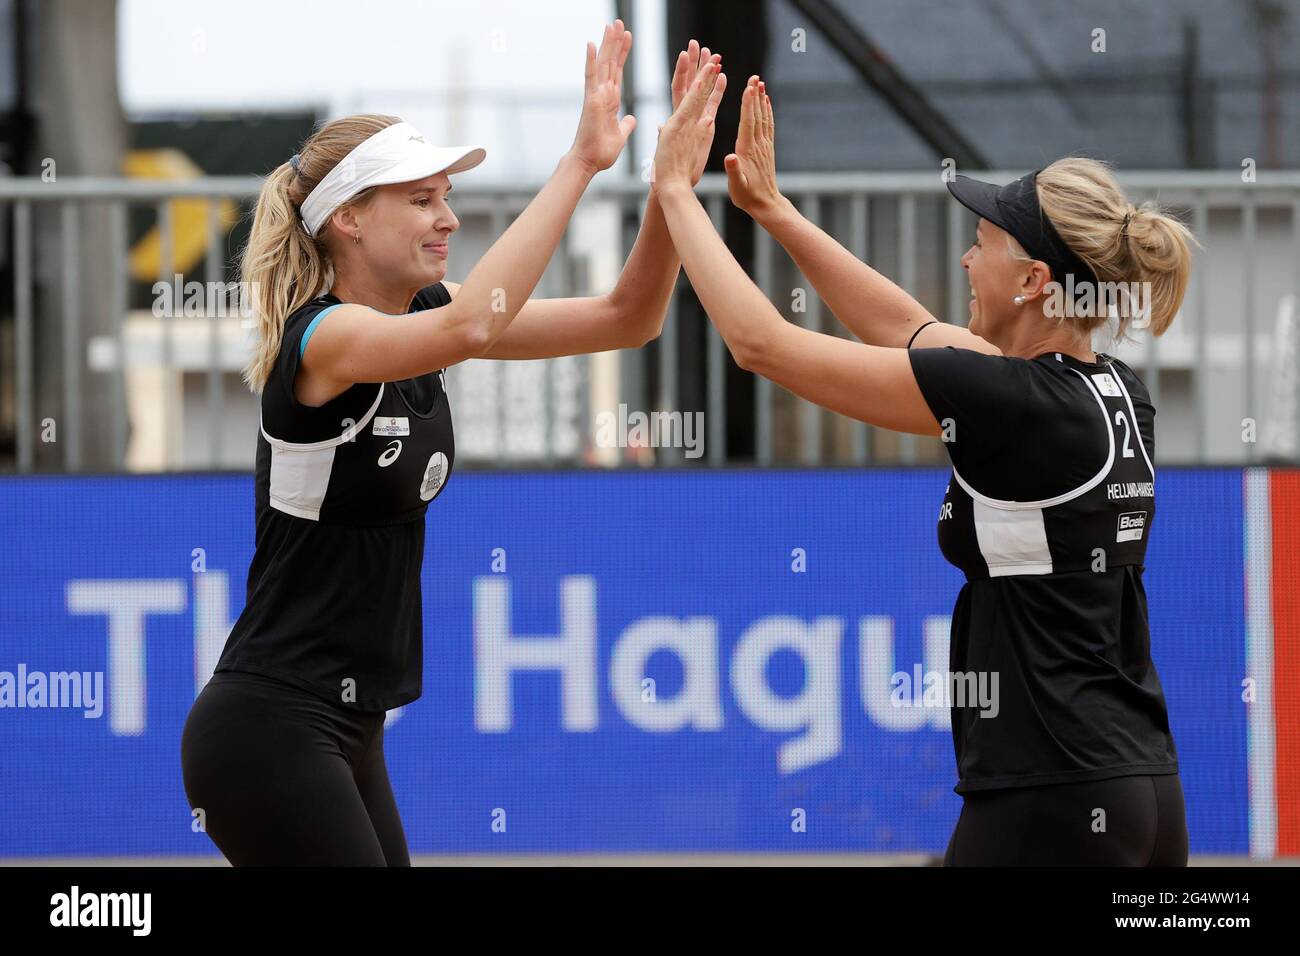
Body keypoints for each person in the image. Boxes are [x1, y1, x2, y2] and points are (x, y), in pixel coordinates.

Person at [181, 24, 726, 866]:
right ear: (350, 218)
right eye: (423, 199)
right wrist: (580, 161)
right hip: (269, 725)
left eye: (446, 196)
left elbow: (630, 318)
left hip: (345, 728)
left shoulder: (423, 311)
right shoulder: (326, 340)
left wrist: (668, 189)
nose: (448, 217)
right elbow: (477, 323)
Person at [652, 64, 1195, 865]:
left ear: (1035, 281)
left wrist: (672, 192)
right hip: (1142, 790)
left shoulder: (1012, 401)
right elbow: (906, 327)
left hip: (1049, 793)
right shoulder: (1113, 390)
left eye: (983, 245)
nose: (968, 263)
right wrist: (771, 210)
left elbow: (760, 343)